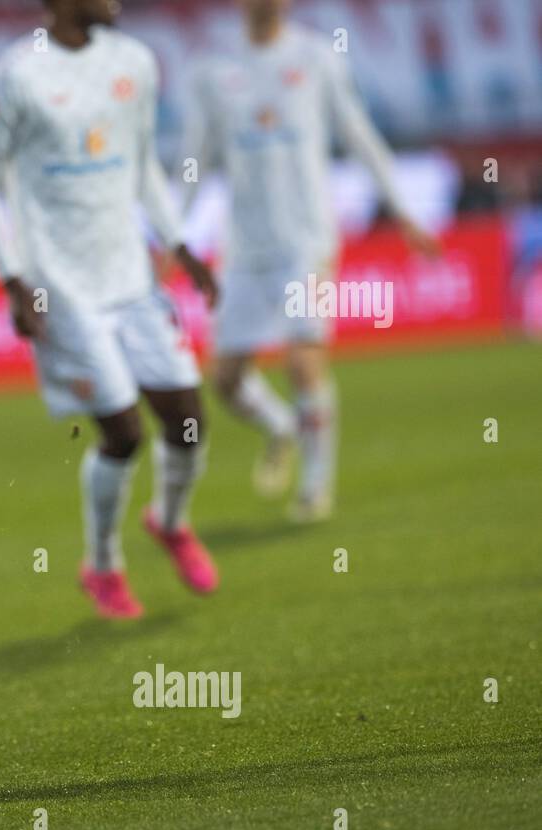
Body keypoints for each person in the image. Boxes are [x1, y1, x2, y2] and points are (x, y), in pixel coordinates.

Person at [0, 0, 220, 619]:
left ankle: (170, 520)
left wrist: (179, 243)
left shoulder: (135, 61)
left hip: (130, 276)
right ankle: (103, 566)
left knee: (188, 421)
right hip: (62, 286)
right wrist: (15, 280)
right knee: (124, 431)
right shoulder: (15, 75)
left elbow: (142, 168)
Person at [179, 0, 438, 521]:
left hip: (307, 237)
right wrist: (172, 235)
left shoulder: (317, 58)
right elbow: (194, 158)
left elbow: (357, 132)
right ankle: (283, 428)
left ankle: (315, 488)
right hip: (245, 245)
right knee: (226, 379)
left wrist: (402, 207)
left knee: (302, 359)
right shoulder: (213, 70)